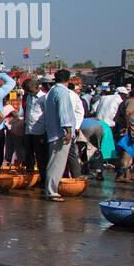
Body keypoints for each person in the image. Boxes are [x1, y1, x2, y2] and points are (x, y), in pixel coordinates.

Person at [42, 69, 77, 201]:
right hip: (60, 133)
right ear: (68, 80)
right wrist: (68, 130)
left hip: (54, 131)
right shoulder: (62, 92)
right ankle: (52, 191)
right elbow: (64, 113)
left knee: (54, 162)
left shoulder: (53, 91)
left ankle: (50, 190)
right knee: (57, 163)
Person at [20, 76, 48, 180]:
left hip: (39, 131)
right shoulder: (28, 97)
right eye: (26, 90)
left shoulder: (43, 98)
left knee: (40, 157)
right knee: (28, 155)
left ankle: (43, 178)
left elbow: (47, 115)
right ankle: (30, 175)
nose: (28, 92)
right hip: (28, 130)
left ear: (36, 87)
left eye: (30, 90)